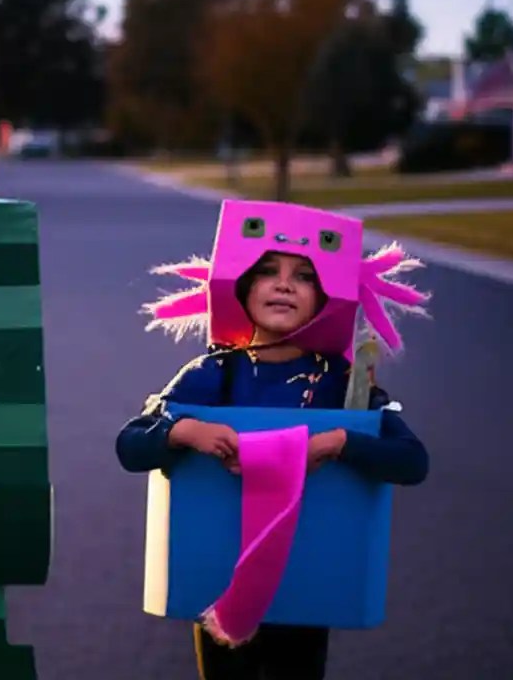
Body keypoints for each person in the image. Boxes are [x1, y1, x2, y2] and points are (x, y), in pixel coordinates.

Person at [116, 250, 429, 680]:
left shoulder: (344, 383)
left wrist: (339, 441)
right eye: (267, 273)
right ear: (241, 289)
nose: (284, 285)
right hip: (220, 579)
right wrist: (184, 432)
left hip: (305, 577)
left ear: (326, 299)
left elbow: (412, 461)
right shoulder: (212, 374)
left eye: (304, 277)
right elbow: (130, 446)